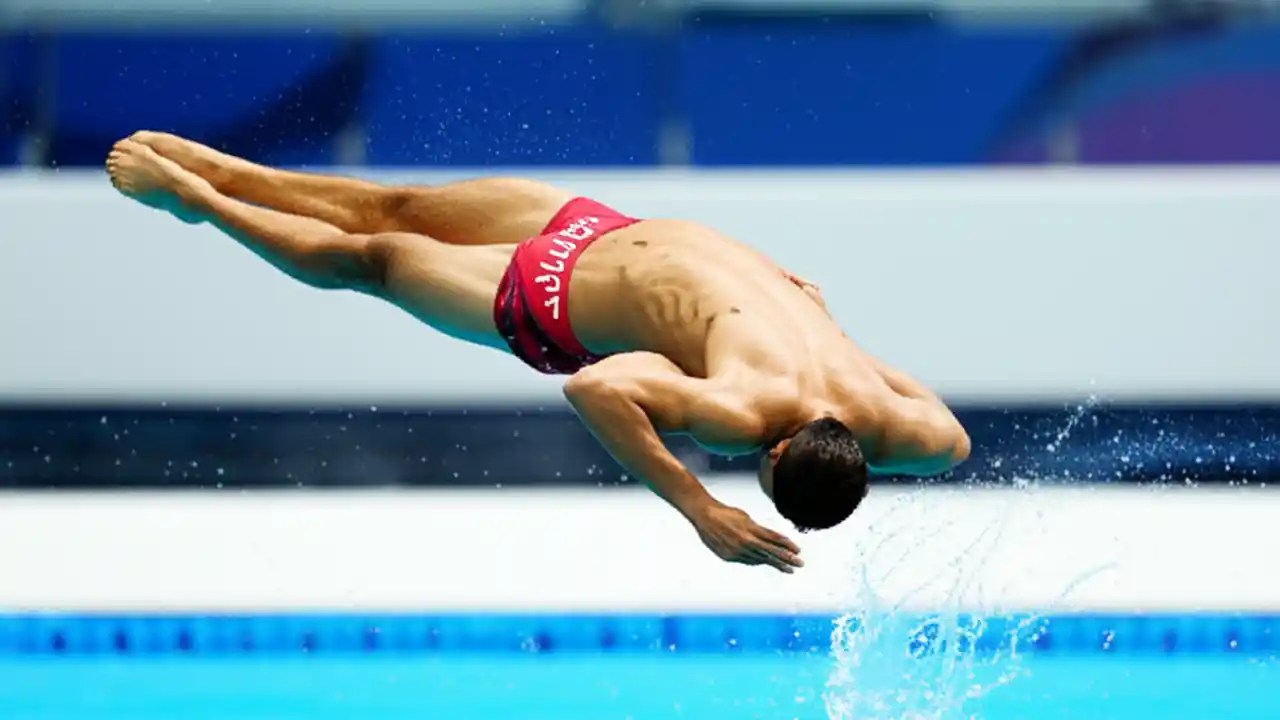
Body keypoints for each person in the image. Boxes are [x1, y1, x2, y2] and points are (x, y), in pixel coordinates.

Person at [105, 132, 971, 574]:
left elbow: (953, 445)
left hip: (601, 229)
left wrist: (834, 331)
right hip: (553, 296)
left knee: (391, 207)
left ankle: (222, 170)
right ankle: (203, 199)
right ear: (775, 454)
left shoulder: (896, 421)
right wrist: (701, 507)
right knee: (368, 261)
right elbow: (597, 389)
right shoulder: (742, 413)